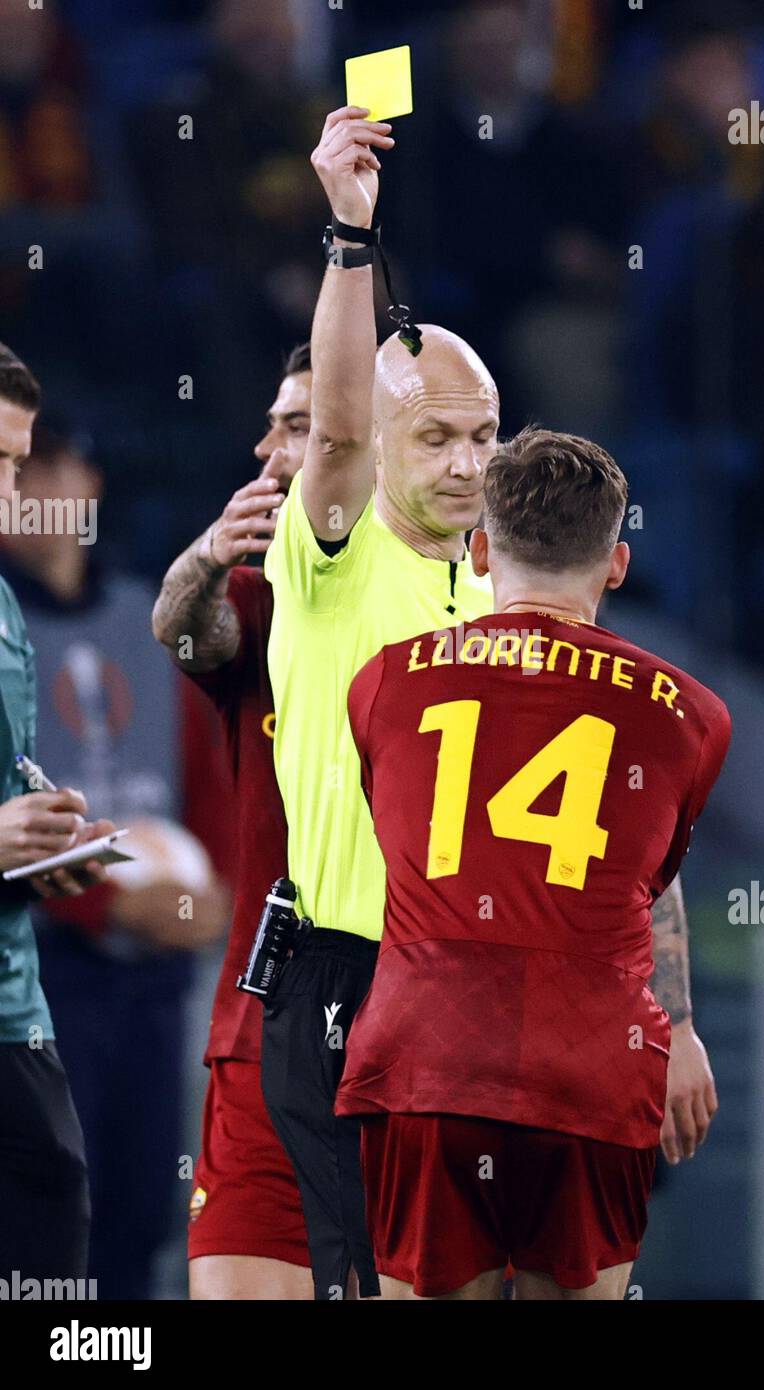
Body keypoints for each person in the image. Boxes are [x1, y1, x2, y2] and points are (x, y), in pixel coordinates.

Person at [263, 105, 720, 1300]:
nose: (468, 462)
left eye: (483, 435)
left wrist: (666, 1015)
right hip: (358, 978)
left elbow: (637, 849)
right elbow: (346, 424)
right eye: (436, 439)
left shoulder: (513, 581)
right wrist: (351, 236)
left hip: (512, 994)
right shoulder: (332, 555)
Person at [335, 428, 731, 1300]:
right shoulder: (692, 716)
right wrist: (682, 1025)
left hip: (429, 1056)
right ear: (617, 563)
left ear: (479, 551)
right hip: (591, 1063)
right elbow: (647, 880)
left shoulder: (382, 683)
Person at [0, 424, 230, 1300]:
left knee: (139, 1213)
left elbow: (207, 766)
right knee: (52, 1215)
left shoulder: (150, 618)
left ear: (91, 481)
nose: (43, 487)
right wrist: (104, 906)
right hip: (39, 970)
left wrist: (222, 890)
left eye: (60, 464)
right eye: (21, 471)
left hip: (153, 976)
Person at [152, 344, 315, 1301]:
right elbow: (179, 630)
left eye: (295, 425)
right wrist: (211, 557)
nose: (265, 448)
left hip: (420, 1048)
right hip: (266, 1032)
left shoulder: (468, 610)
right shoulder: (255, 602)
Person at [0, 341, 116, 1283]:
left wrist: (48, 837)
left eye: (19, 463)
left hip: (15, 1014)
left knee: (54, 1254)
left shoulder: (4, 605)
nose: (13, 493)